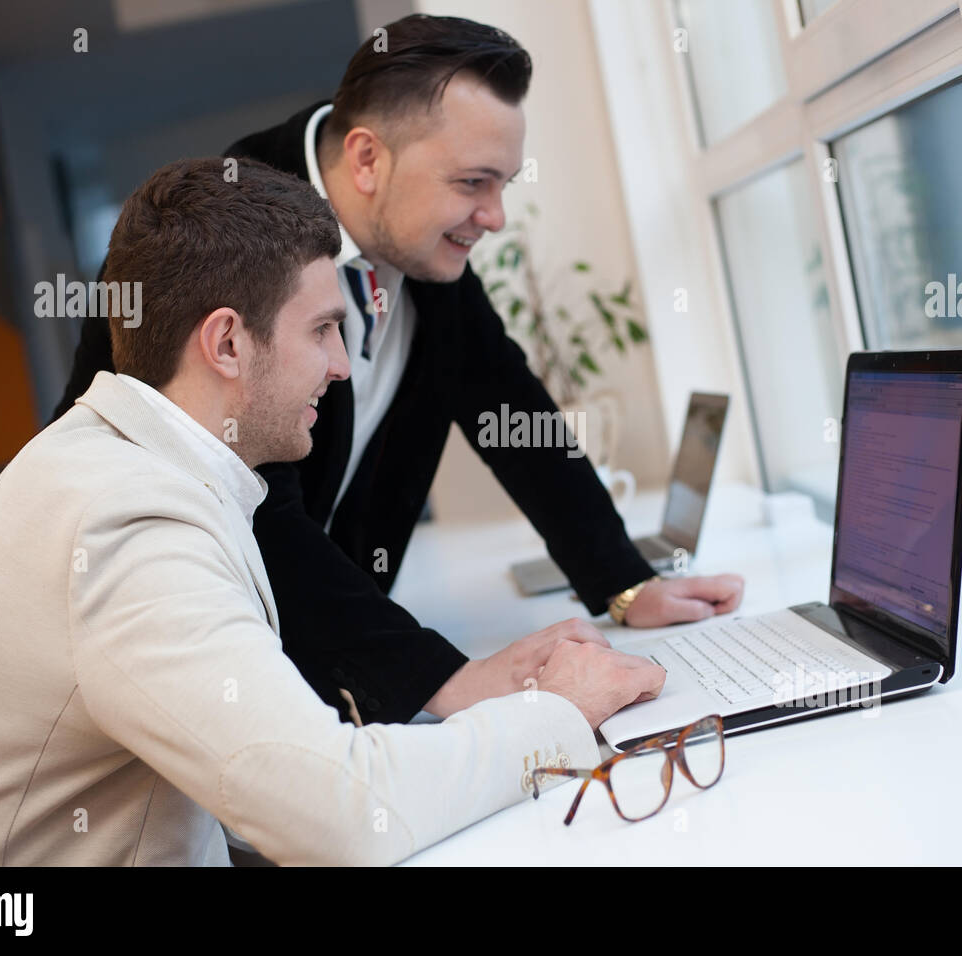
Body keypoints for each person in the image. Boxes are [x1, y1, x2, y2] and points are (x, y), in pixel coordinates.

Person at [0, 158, 665, 866]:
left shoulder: (120, 464)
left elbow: (258, 777)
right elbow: (340, 816)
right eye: (324, 328)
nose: (342, 365)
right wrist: (557, 712)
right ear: (228, 343)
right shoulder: (128, 525)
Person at [53, 14, 743, 727]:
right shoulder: (216, 242)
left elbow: (508, 405)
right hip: (157, 679)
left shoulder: (419, 245)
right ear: (367, 159)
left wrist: (625, 583)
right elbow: (250, 507)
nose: (496, 215)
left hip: (317, 656)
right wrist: (447, 682)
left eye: (503, 183)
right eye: (474, 181)